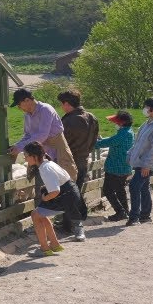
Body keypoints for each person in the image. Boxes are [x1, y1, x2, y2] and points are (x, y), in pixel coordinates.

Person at [22, 141, 85, 254]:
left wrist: (45, 198)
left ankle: (44, 249)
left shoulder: (45, 169)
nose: (25, 158)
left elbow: (55, 191)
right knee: (39, 213)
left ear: (34, 156)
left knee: (35, 215)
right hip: (70, 193)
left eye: (26, 156)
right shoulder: (48, 164)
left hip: (66, 197)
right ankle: (54, 244)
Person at [8, 88, 78, 181]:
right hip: (40, 152)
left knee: (65, 178)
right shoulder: (27, 115)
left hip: (57, 149)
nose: (19, 108)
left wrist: (20, 147)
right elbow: (28, 135)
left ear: (27, 100)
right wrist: (16, 145)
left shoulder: (45, 109)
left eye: (19, 104)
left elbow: (42, 135)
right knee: (42, 181)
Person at [58, 89, 99, 233]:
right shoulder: (92, 117)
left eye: (62, 104)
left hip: (69, 161)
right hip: (83, 159)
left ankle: (69, 224)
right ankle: (76, 219)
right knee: (76, 190)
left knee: (68, 193)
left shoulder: (68, 120)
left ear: (67, 104)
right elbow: (94, 140)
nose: (61, 107)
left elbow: (62, 143)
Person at [125, 97, 153, 226]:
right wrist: (130, 155)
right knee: (143, 187)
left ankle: (134, 217)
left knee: (134, 186)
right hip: (140, 161)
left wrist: (147, 165)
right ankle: (144, 216)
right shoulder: (148, 123)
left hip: (146, 163)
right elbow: (141, 141)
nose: (145, 109)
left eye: (147, 107)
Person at [94, 110, 135, 221]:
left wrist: (92, 143)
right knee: (120, 189)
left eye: (116, 122)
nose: (115, 124)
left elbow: (109, 142)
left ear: (122, 122)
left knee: (107, 190)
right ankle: (125, 211)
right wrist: (101, 140)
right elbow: (112, 140)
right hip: (124, 166)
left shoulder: (123, 134)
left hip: (115, 167)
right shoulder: (128, 131)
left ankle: (120, 212)